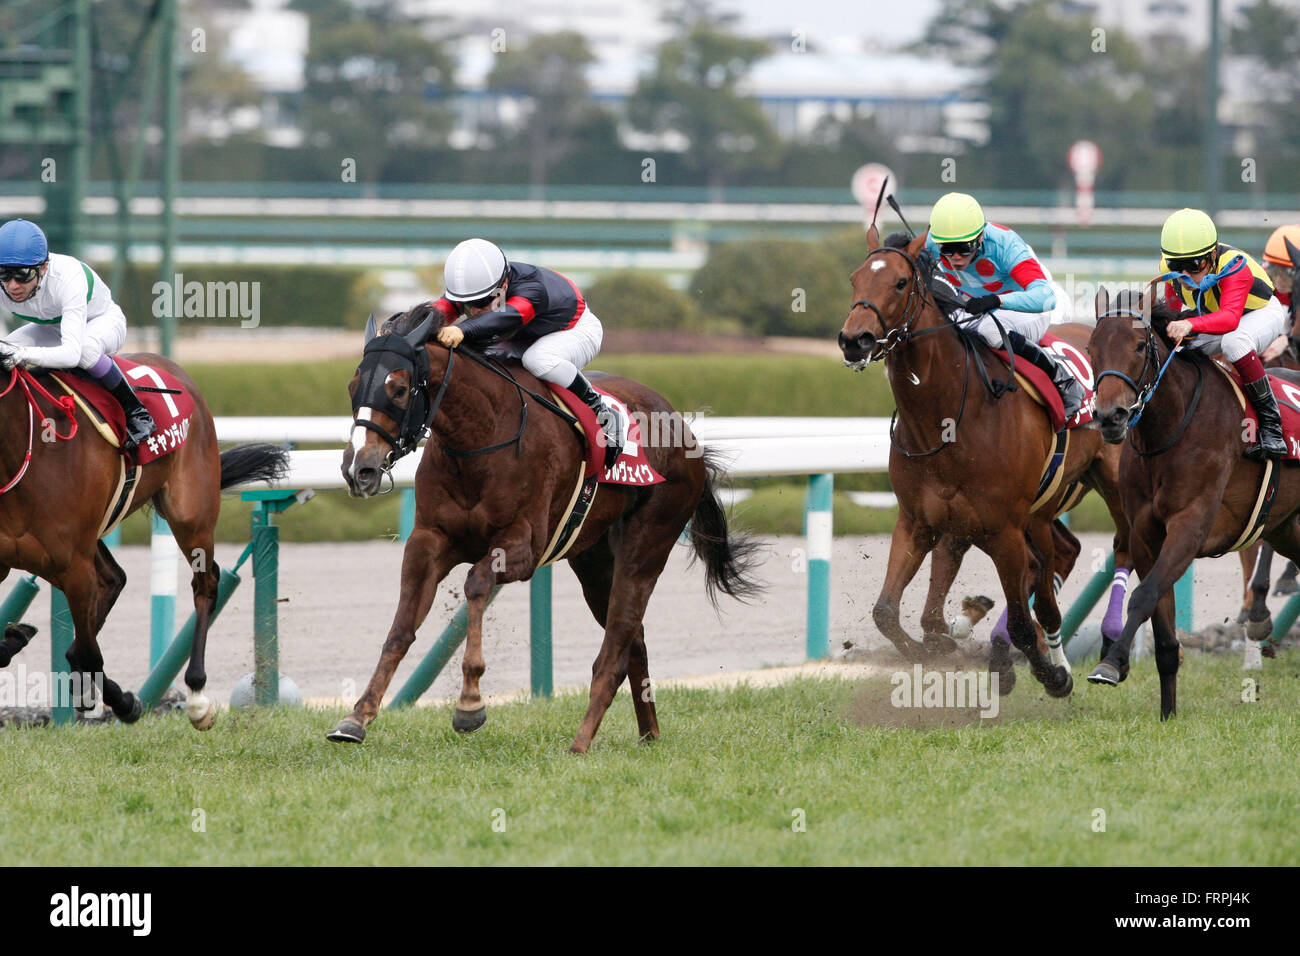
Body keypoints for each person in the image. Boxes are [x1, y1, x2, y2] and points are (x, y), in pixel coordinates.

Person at [429, 238, 622, 468]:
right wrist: (399, 329)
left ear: (503, 284)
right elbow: (438, 312)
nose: (476, 309)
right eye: (470, 304)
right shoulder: (481, 286)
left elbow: (504, 317)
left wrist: (462, 329)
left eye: (483, 301)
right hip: (524, 336)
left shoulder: (532, 289)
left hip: (575, 330)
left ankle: (603, 413)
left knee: (538, 359)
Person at [924, 192, 1085, 423]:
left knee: (989, 329)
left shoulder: (1005, 245)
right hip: (978, 309)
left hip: (1033, 307)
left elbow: (1045, 297)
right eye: (947, 249)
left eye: (963, 247)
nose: (955, 257)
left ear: (980, 238)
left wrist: (997, 300)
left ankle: (1063, 379)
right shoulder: (932, 242)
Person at [0, 218, 156, 447]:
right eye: (4, 274)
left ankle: (137, 412)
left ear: (43, 267)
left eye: (23, 275)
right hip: (51, 327)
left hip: (100, 322)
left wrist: (23, 354)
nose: (12, 285)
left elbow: (71, 354)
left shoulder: (67, 277)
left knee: (86, 350)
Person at [1157, 207, 1288, 459]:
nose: (1184, 274)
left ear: (1213, 254)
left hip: (1259, 312)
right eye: (1176, 265)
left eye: (1195, 264)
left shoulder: (1234, 266)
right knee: (1181, 348)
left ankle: (1272, 427)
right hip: (1219, 315)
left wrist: (1191, 325)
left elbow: (1229, 319)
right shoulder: (1169, 270)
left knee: (1234, 343)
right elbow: (1171, 313)